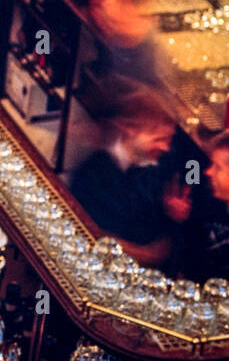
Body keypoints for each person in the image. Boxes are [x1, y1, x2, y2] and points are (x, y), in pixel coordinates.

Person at [69, 80, 187, 268]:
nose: (165, 147)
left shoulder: (165, 167)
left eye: (168, 139)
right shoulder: (92, 175)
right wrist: (147, 255)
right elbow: (85, 234)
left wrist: (175, 215)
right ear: (129, 129)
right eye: (158, 139)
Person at [186, 130, 229, 289]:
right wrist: (178, 217)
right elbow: (192, 165)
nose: (208, 172)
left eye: (218, 168)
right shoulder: (207, 199)